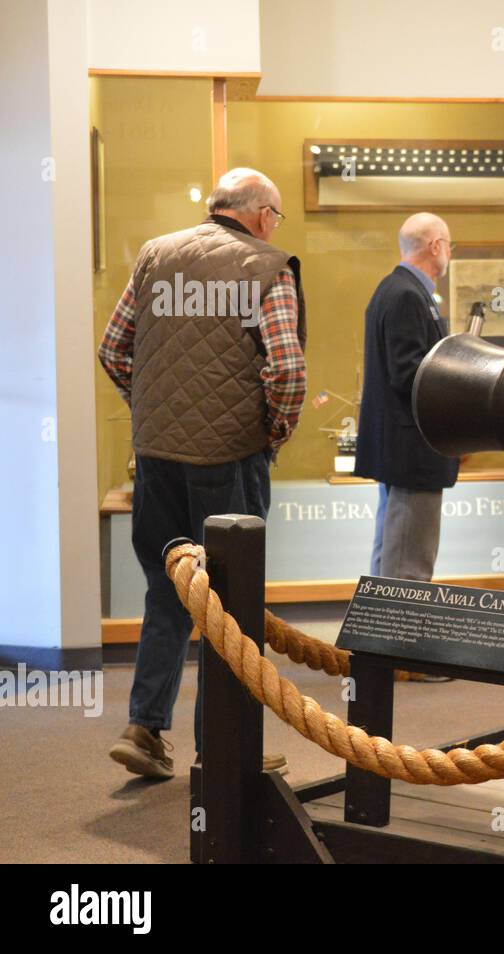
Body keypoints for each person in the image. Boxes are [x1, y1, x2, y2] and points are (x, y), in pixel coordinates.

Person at [98, 168, 305, 779]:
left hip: (157, 461)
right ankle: (221, 747)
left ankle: (143, 727)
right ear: (263, 214)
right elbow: (287, 373)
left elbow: (114, 349)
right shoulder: (268, 267)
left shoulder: (155, 256)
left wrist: (152, 414)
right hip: (230, 461)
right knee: (231, 605)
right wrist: (271, 434)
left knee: (169, 590)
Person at [355, 213, 461, 584]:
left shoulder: (399, 290)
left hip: (404, 449)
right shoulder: (406, 295)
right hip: (413, 448)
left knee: (392, 553)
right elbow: (409, 373)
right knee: (408, 567)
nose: (449, 253)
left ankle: (383, 637)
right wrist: (460, 378)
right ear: (435, 246)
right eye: (449, 245)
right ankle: (398, 639)